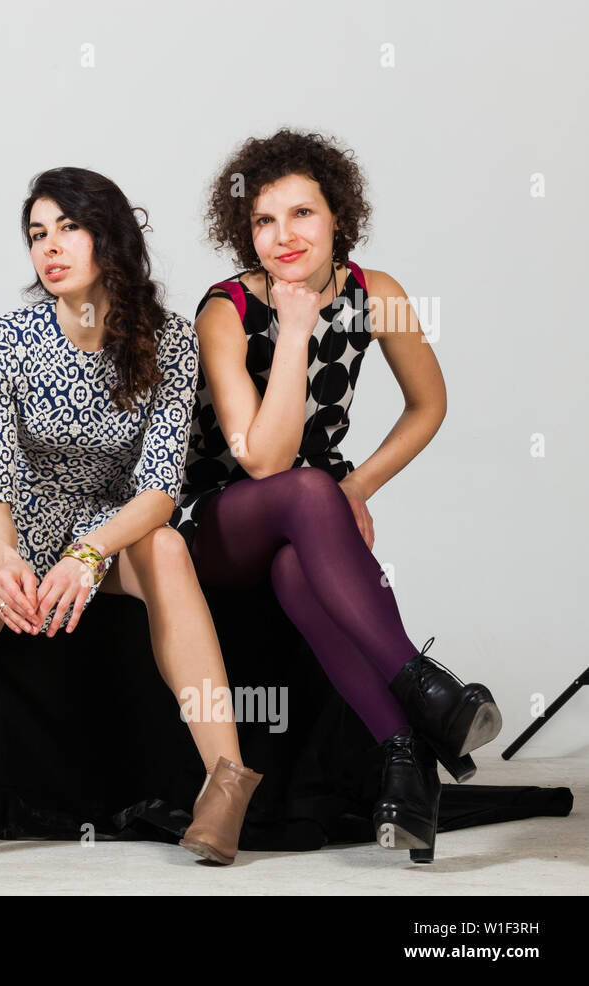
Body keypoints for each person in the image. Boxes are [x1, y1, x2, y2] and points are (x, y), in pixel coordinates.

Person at [0, 167, 264, 874]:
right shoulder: (7, 340)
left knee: (169, 550)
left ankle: (225, 783)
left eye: (68, 228)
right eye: (36, 234)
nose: (49, 247)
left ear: (108, 236)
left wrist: (89, 554)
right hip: (15, 512)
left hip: (115, 521)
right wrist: (9, 556)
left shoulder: (169, 341)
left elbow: (161, 487)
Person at [171, 128, 502, 863]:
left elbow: (428, 405)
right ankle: (427, 692)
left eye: (302, 214)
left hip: (310, 513)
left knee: (302, 554)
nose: (283, 235)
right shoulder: (225, 310)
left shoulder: (374, 293)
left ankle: (403, 761)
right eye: (263, 220)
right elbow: (261, 460)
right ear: (243, 230)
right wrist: (293, 331)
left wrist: (357, 485)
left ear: (338, 219)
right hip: (218, 519)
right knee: (301, 490)